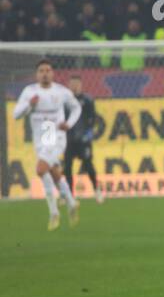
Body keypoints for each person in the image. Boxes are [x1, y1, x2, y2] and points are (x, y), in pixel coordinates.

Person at [13, 59, 82, 230]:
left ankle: (54, 212)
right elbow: (16, 115)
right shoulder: (29, 92)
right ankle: (72, 203)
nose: (45, 73)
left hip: (54, 132)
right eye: (41, 71)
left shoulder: (61, 91)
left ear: (53, 73)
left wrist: (69, 123)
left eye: (48, 70)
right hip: (39, 135)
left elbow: (76, 108)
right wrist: (30, 104)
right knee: (53, 171)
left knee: (40, 169)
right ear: (36, 74)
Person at [62, 74, 104, 204]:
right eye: (72, 84)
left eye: (77, 84)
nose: (74, 87)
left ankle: (97, 190)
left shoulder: (87, 100)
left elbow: (92, 120)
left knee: (88, 165)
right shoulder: (64, 102)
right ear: (68, 86)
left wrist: (88, 134)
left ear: (81, 85)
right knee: (67, 167)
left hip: (83, 140)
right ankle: (69, 196)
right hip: (69, 139)